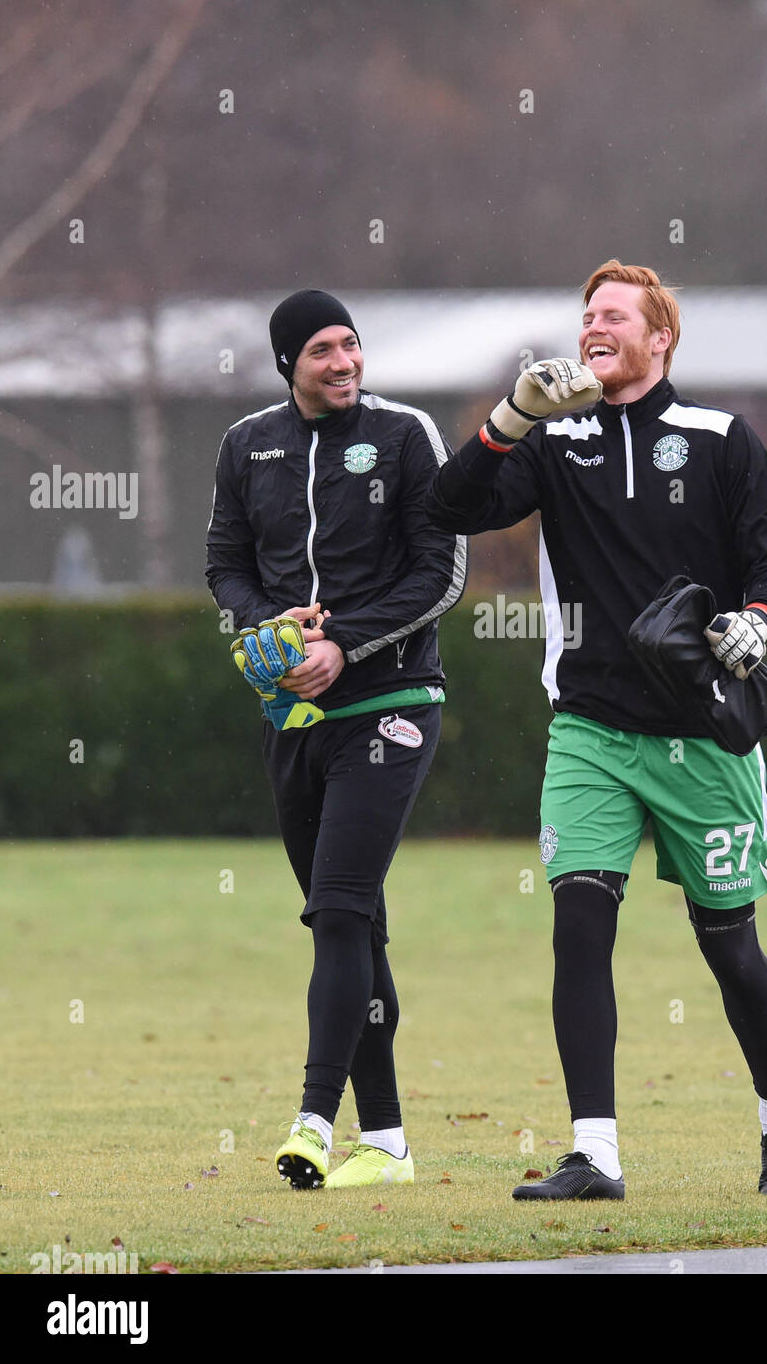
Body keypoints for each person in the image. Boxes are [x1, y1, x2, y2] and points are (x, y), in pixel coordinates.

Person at [425, 260, 767, 1201]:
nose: (592, 327)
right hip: (590, 729)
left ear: (660, 337)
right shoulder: (559, 443)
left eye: (613, 316)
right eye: (585, 315)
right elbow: (449, 509)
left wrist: (754, 620)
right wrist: (511, 416)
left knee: (729, 946)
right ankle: (594, 1154)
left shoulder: (721, 440)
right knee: (579, 925)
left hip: (704, 736)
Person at [206, 289, 466, 1190]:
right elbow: (225, 563)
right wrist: (261, 628)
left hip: (391, 702)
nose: (344, 361)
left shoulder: (404, 435)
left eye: (352, 344)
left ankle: (314, 1121)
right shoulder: (246, 445)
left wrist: (345, 641)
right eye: (322, 349)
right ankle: (386, 1142)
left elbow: (443, 573)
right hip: (294, 718)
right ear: (288, 363)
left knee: (341, 909)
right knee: (354, 928)